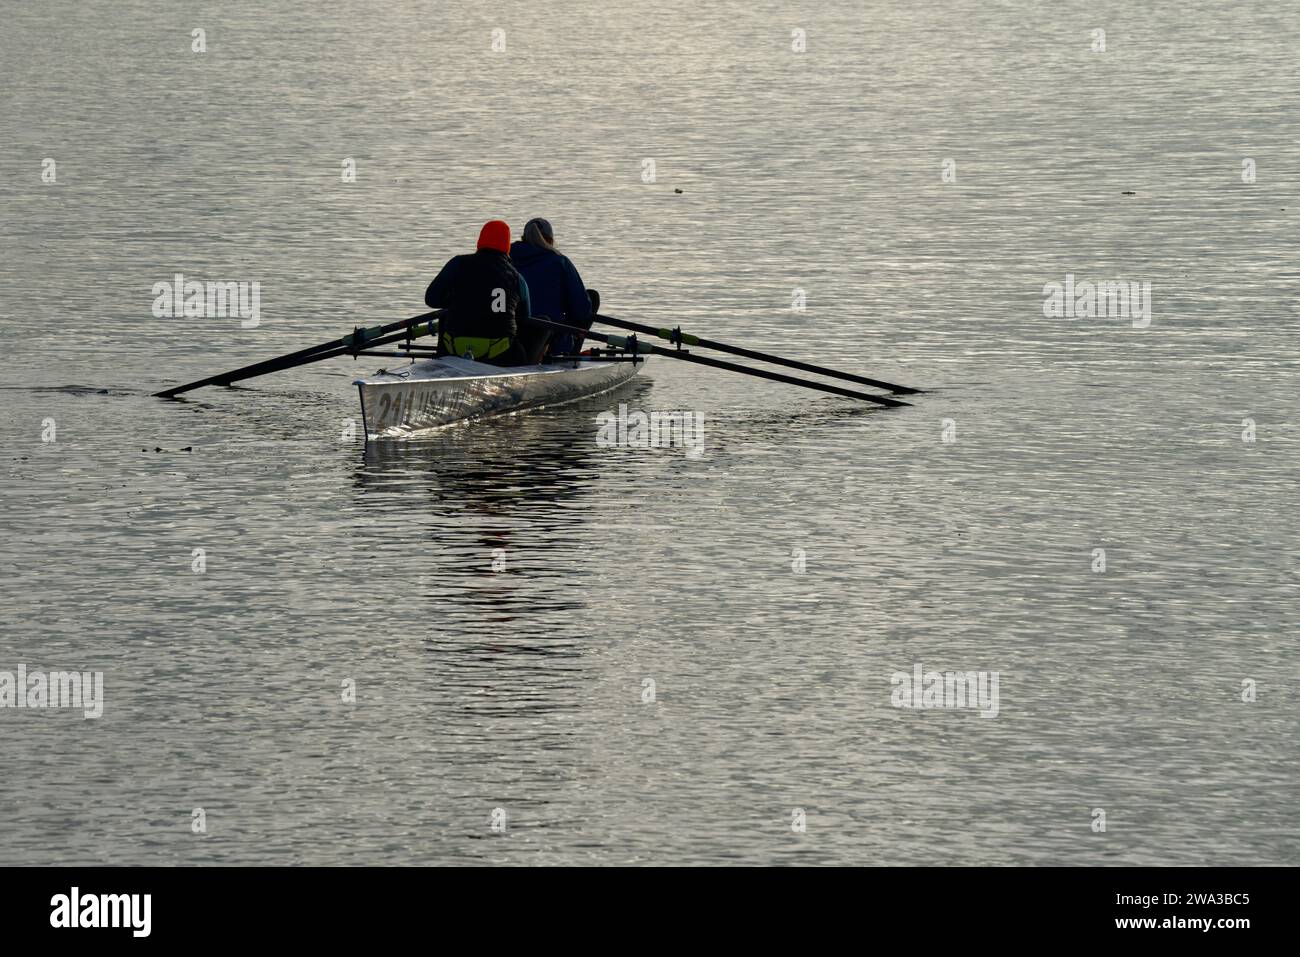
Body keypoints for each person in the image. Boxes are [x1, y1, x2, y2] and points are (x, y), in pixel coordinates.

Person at [424, 220, 550, 365]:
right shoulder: (517, 278)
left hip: (453, 350)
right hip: (500, 356)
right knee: (544, 322)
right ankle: (531, 367)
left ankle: (442, 359)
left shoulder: (457, 263)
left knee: (446, 315)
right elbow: (524, 318)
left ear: (480, 242)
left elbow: (431, 299)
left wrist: (457, 301)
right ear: (506, 247)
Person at [509, 218, 594, 357]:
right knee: (592, 297)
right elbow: (583, 311)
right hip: (551, 343)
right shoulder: (560, 261)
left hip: (512, 337)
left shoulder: (506, 259)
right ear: (550, 240)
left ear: (523, 238)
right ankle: (571, 352)